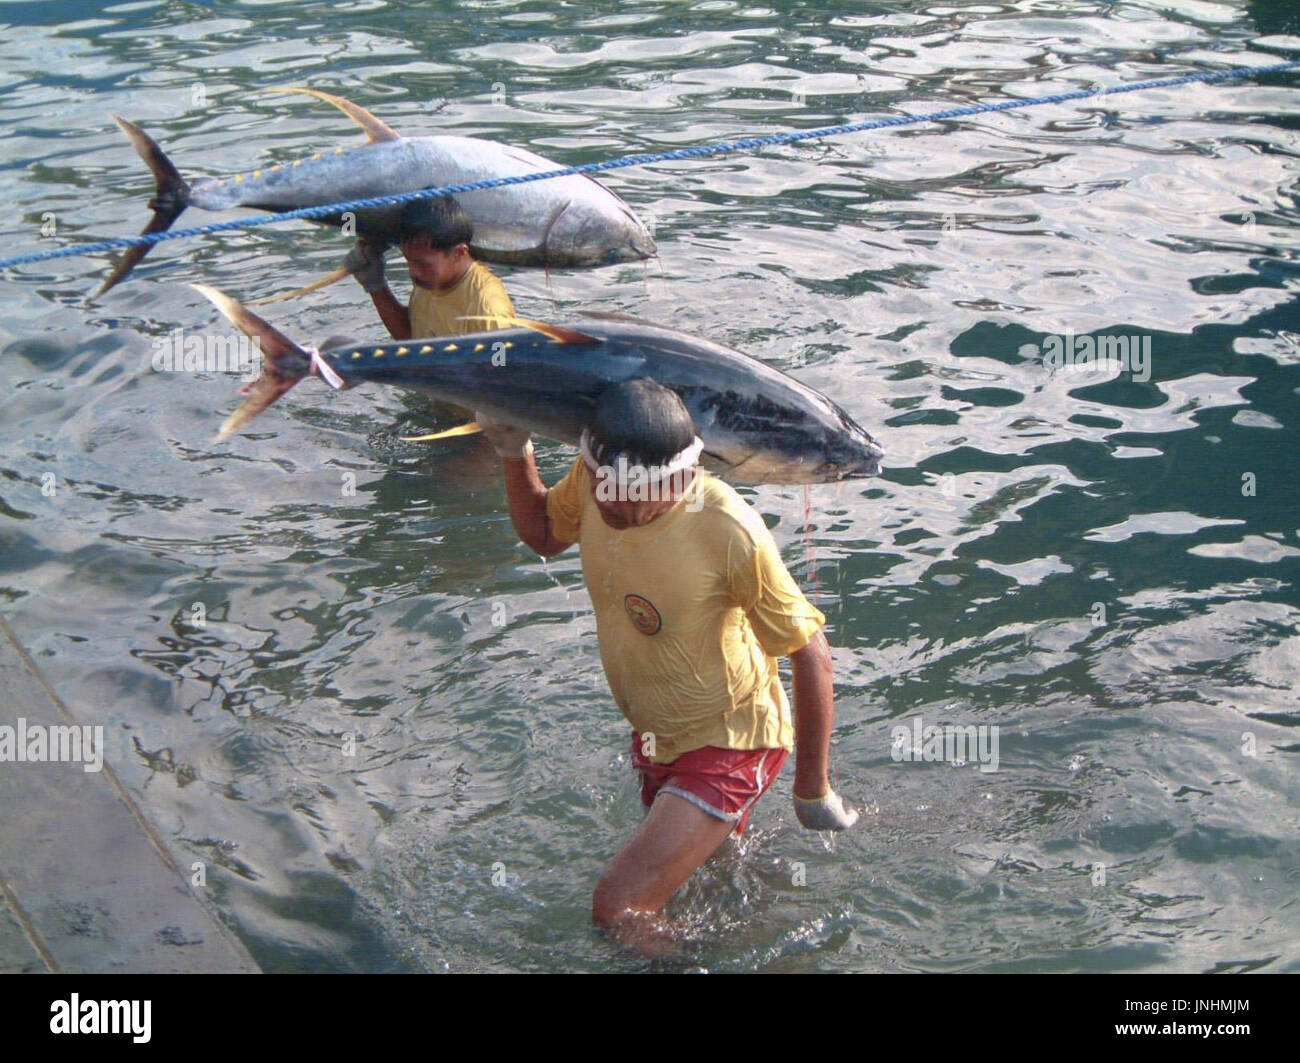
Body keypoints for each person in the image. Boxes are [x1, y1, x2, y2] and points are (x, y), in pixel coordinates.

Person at [477, 379, 857, 950]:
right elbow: (544, 533)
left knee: (620, 907)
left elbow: (810, 650)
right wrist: (514, 450)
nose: (623, 508)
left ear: (685, 476)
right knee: (709, 874)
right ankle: (769, 943)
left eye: (643, 495)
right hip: (659, 735)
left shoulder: (728, 530)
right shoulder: (593, 480)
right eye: (610, 494)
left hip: (732, 740)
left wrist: (812, 789)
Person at [344, 195, 515, 340]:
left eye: (423, 264)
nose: (413, 272)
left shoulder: (490, 310)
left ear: (459, 253)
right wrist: (376, 287)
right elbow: (411, 339)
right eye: (408, 260)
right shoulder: (430, 278)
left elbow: (502, 372)